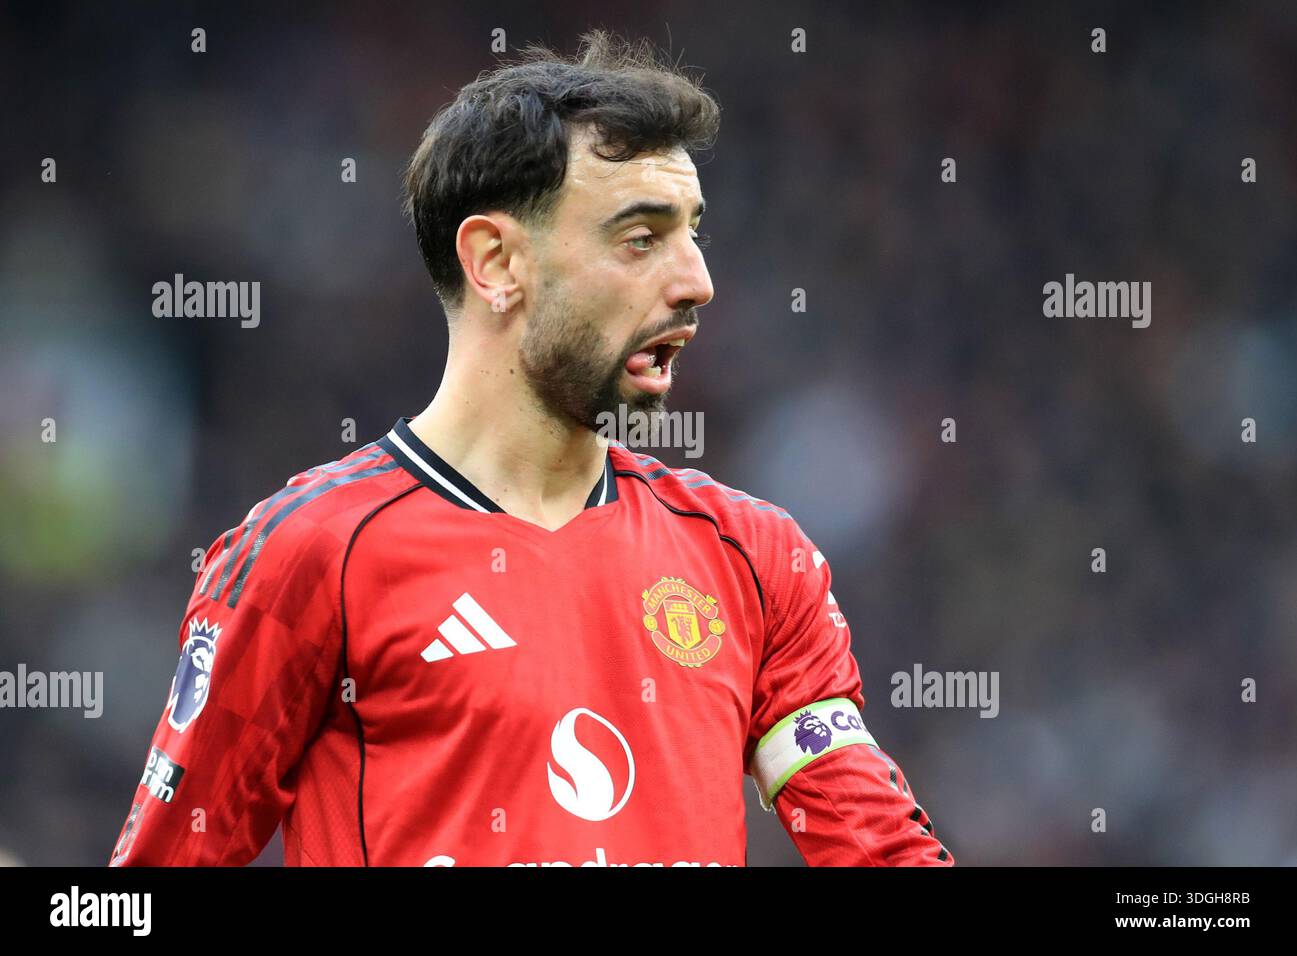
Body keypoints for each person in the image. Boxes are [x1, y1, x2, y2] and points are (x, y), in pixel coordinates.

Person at [110, 30, 952, 867]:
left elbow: (880, 849)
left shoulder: (754, 558)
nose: (697, 280)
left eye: (694, 232)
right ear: (496, 261)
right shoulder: (309, 556)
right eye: (640, 237)